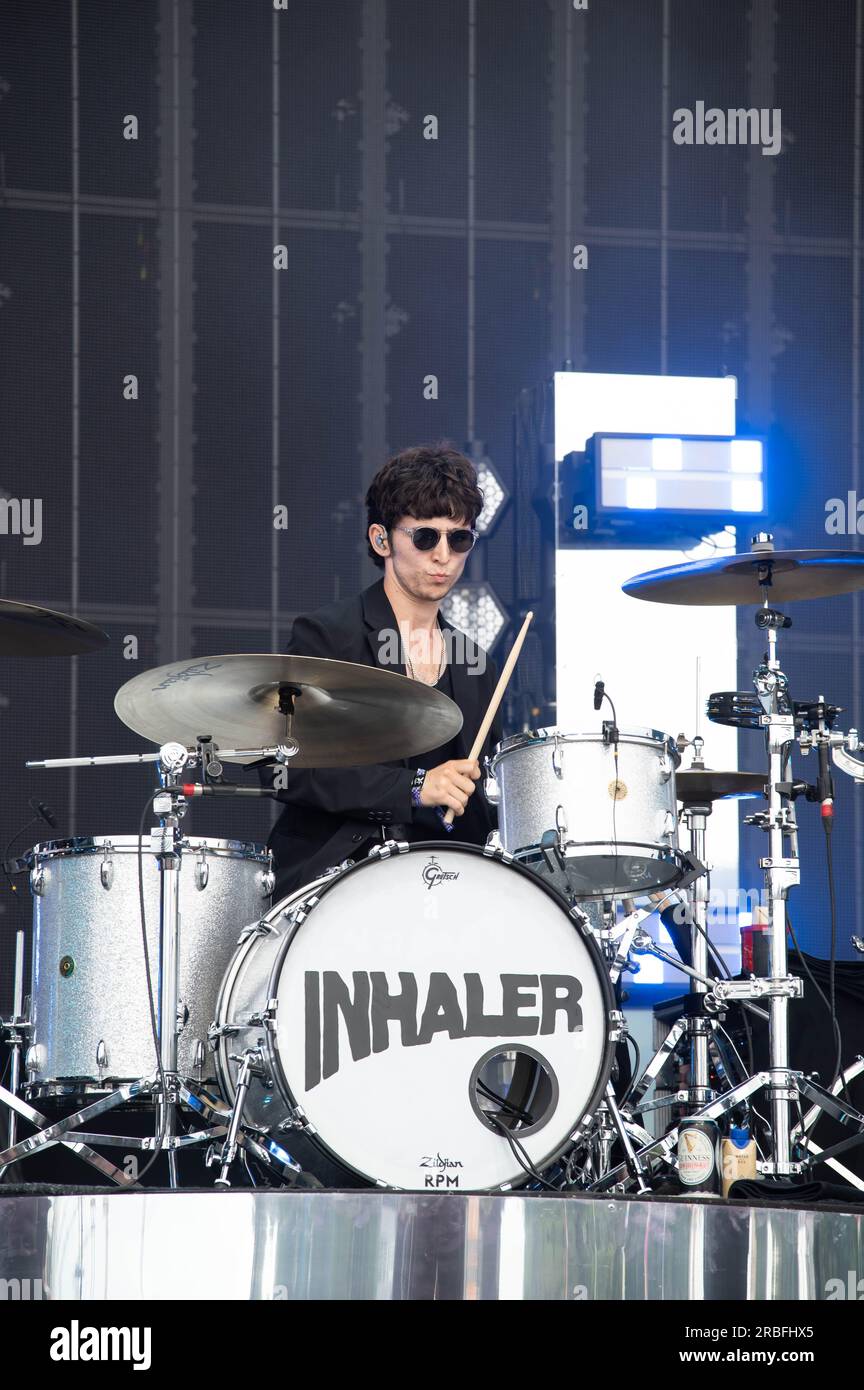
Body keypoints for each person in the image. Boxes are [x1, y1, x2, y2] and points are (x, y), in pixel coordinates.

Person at [261, 443, 504, 900]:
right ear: (381, 540)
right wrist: (414, 788)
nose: (444, 556)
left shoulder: (477, 665)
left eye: (460, 539)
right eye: (426, 537)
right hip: (336, 879)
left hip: (445, 887)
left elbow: (488, 800)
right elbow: (285, 767)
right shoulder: (328, 636)